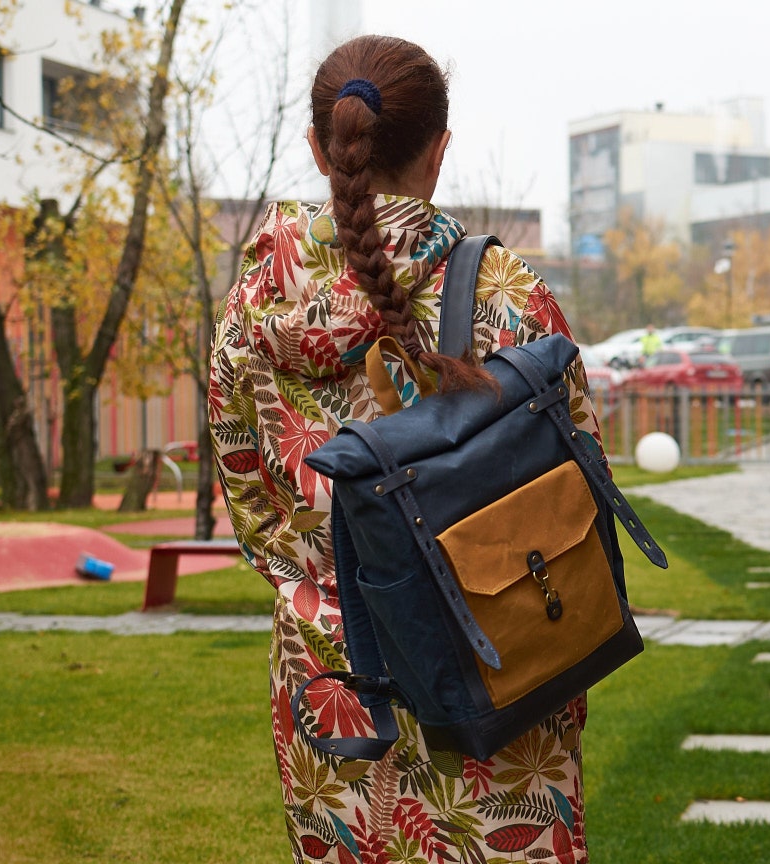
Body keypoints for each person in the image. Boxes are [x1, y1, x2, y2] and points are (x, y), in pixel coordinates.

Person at [209, 35, 604, 864]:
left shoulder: (250, 310)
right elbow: (582, 490)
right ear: (440, 150)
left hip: (333, 698)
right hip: (500, 678)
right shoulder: (508, 299)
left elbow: (248, 508)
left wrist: (319, 591)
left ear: (321, 148)